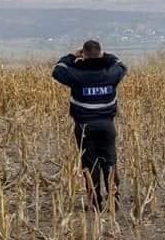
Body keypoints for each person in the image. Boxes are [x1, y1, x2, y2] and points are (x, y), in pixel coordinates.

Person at [52, 39, 127, 210]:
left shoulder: (75, 75)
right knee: (109, 163)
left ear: (83, 55)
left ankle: (94, 204)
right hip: (107, 126)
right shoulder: (111, 74)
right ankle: (113, 203)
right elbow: (121, 65)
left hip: (84, 127)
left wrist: (72, 55)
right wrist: (104, 56)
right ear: (100, 54)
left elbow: (57, 70)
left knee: (90, 165)